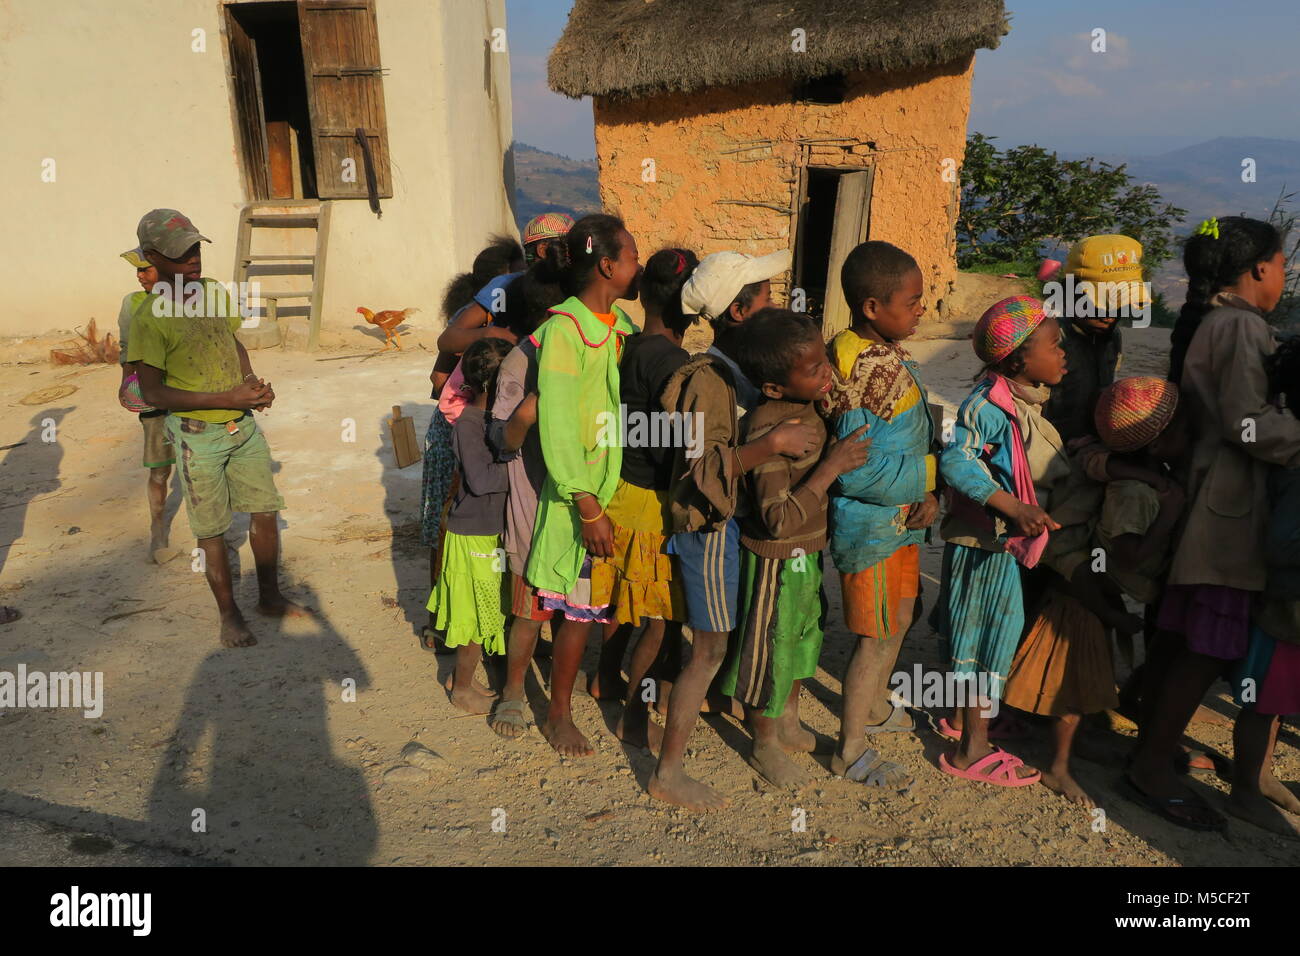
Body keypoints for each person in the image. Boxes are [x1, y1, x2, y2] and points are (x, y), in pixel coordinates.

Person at [1127, 216, 1300, 833]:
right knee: (1204, 647)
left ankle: (1153, 751)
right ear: (1259, 268)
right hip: (1228, 509)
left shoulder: (1223, 323)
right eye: (1281, 264)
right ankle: (1150, 765)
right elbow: (1246, 423)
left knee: (1187, 642)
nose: (1284, 275)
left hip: (1220, 501)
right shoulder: (1239, 328)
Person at [648, 310, 820, 810]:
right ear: (734, 309)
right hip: (708, 531)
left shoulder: (731, 375)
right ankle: (667, 774)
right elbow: (703, 470)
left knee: (715, 648)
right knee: (708, 653)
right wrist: (771, 444)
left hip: (721, 530)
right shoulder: (709, 380)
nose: (767, 303)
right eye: (762, 296)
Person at [128, 208, 306, 648]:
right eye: (178, 252)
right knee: (211, 531)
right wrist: (226, 399)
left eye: (194, 246)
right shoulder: (148, 317)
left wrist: (249, 384)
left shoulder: (213, 292)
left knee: (265, 510)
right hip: (196, 437)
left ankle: (269, 596)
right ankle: (229, 615)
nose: (192, 257)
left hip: (240, 428)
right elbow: (153, 393)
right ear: (152, 256)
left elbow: (232, 342)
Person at [717, 308, 871, 790]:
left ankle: (787, 723)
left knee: (803, 638)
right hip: (774, 561)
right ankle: (762, 739)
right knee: (769, 648)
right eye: (814, 370)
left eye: (825, 362)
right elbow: (778, 520)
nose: (827, 374)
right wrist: (830, 467)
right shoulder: (769, 430)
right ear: (774, 388)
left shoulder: (805, 408)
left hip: (806, 556)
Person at [934, 295, 1067, 786]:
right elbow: (957, 461)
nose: (1063, 354)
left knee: (991, 637)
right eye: (1054, 346)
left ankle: (969, 720)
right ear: (1017, 360)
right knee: (985, 640)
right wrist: (1013, 507)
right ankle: (972, 748)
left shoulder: (1020, 399)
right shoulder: (988, 406)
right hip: (984, 547)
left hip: (1002, 546)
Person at [820, 241, 937, 788]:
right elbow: (854, 471)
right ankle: (850, 749)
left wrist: (924, 493)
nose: (921, 310)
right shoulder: (866, 371)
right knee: (873, 635)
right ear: (871, 307)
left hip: (900, 520)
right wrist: (927, 484)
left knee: (900, 616)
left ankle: (870, 708)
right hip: (873, 526)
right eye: (911, 302)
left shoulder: (874, 355)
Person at [525, 214, 639, 757]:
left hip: (616, 486)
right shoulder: (564, 332)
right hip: (583, 493)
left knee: (610, 600)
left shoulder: (621, 327)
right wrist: (586, 502)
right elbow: (559, 422)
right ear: (608, 265)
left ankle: (608, 680)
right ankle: (559, 712)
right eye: (633, 257)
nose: (636, 267)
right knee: (576, 608)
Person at [589, 248, 699, 751]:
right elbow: (678, 444)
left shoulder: (629, 344)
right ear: (693, 304)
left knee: (622, 604)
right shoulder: (676, 362)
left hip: (620, 492)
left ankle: (605, 678)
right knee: (656, 618)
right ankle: (634, 716)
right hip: (654, 501)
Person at [419, 235, 526, 650]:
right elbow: (438, 377)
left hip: (473, 420)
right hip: (457, 427)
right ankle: (439, 619)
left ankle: (481, 617)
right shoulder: (473, 322)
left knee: (476, 526)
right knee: (450, 520)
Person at [485, 265, 568, 739]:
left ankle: (556, 678)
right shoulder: (521, 361)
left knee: (567, 604)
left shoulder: (587, 350)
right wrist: (529, 412)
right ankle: (514, 690)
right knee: (528, 608)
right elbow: (502, 437)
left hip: (576, 501)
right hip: (534, 501)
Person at [1231, 336, 1300, 829]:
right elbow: (1284, 544)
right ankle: (1244, 788)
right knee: (1262, 705)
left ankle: (1259, 777)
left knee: (1275, 705)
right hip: (1287, 610)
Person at [427, 337, 515, 714]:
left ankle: (462, 678)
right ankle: (461, 689)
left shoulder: (486, 418)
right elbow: (480, 481)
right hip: (473, 536)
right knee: (476, 619)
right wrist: (518, 471)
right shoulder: (468, 424)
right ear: (499, 384)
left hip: (483, 532)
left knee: (483, 612)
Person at [1041, 235, 1145, 443]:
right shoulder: (1048, 339)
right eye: (1100, 302)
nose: (1109, 316)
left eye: (1118, 303)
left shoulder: (1112, 337)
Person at [116, 245, 178, 564]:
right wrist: (127, 383)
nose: (140, 276)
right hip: (154, 397)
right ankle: (157, 530)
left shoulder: (184, 300)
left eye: (146, 270)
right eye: (137, 271)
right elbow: (128, 349)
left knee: (200, 467)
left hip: (188, 394)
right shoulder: (134, 303)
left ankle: (210, 532)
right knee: (159, 469)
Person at [681, 249, 792, 410]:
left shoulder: (749, 361)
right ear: (739, 311)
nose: (775, 306)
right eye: (768, 298)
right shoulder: (716, 384)